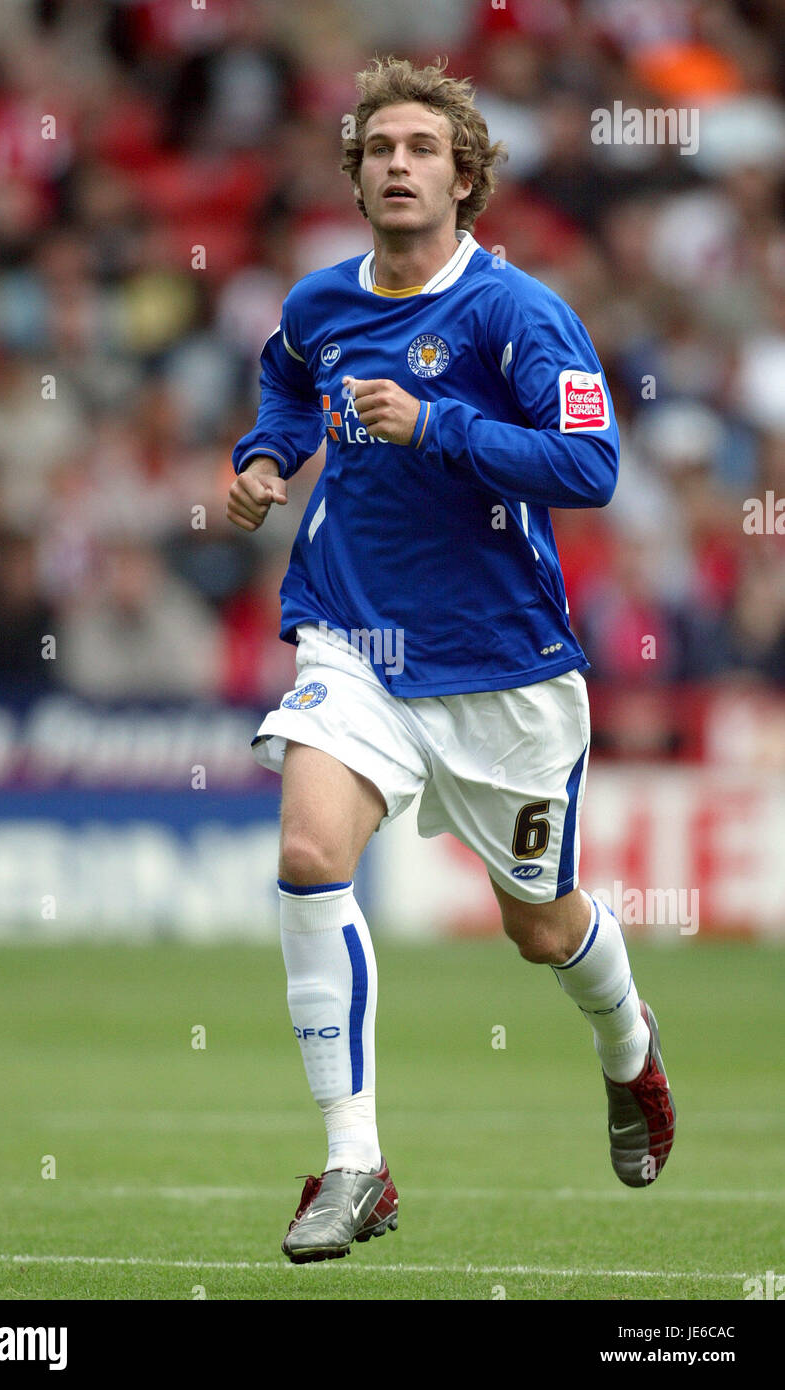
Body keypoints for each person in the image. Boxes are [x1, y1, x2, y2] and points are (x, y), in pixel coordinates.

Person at [227, 56, 675, 1265]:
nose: (397, 165)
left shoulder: (516, 314)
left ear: (464, 177)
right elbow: (281, 381)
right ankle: (354, 1161)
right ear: (356, 174)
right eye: (379, 149)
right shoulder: (320, 304)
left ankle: (626, 1051)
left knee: (537, 926)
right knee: (310, 848)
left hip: (502, 669)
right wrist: (266, 461)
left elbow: (587, 470)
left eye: (423, 148)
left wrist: (438, 426)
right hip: (355, 639)